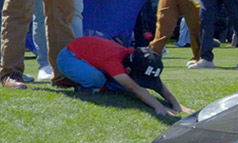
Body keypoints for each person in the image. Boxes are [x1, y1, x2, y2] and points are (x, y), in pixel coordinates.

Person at [56, 36, 189, 116]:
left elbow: (157, 84)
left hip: (88, 57)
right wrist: (158, 106)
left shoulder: (138, 58)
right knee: (98, 80)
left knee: (119, 84)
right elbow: (134, 88)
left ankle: (105, 82)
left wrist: (175, 104)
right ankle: (86, 88)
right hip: (68, 57)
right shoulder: (114, 62)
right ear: (128, 69)